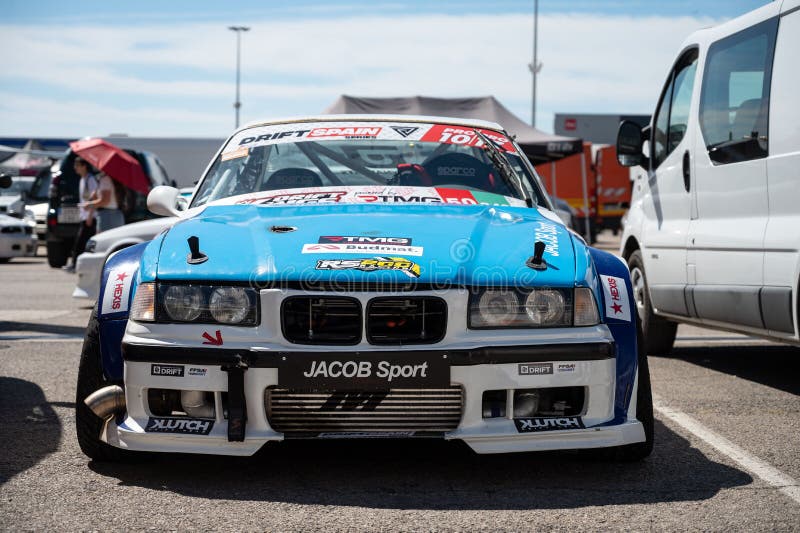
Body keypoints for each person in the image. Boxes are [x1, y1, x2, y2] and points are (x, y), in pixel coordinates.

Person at [63, 157, 98, 272]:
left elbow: (94, 197)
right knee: (81, 242)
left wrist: (89, 215)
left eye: (77, 165)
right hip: (84, 216)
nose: (75, 168)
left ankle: (75, 265)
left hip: (90, 217)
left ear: (84, 166)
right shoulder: (82, 179)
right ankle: (76, 265)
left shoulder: (90, 179)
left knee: (81, 242)